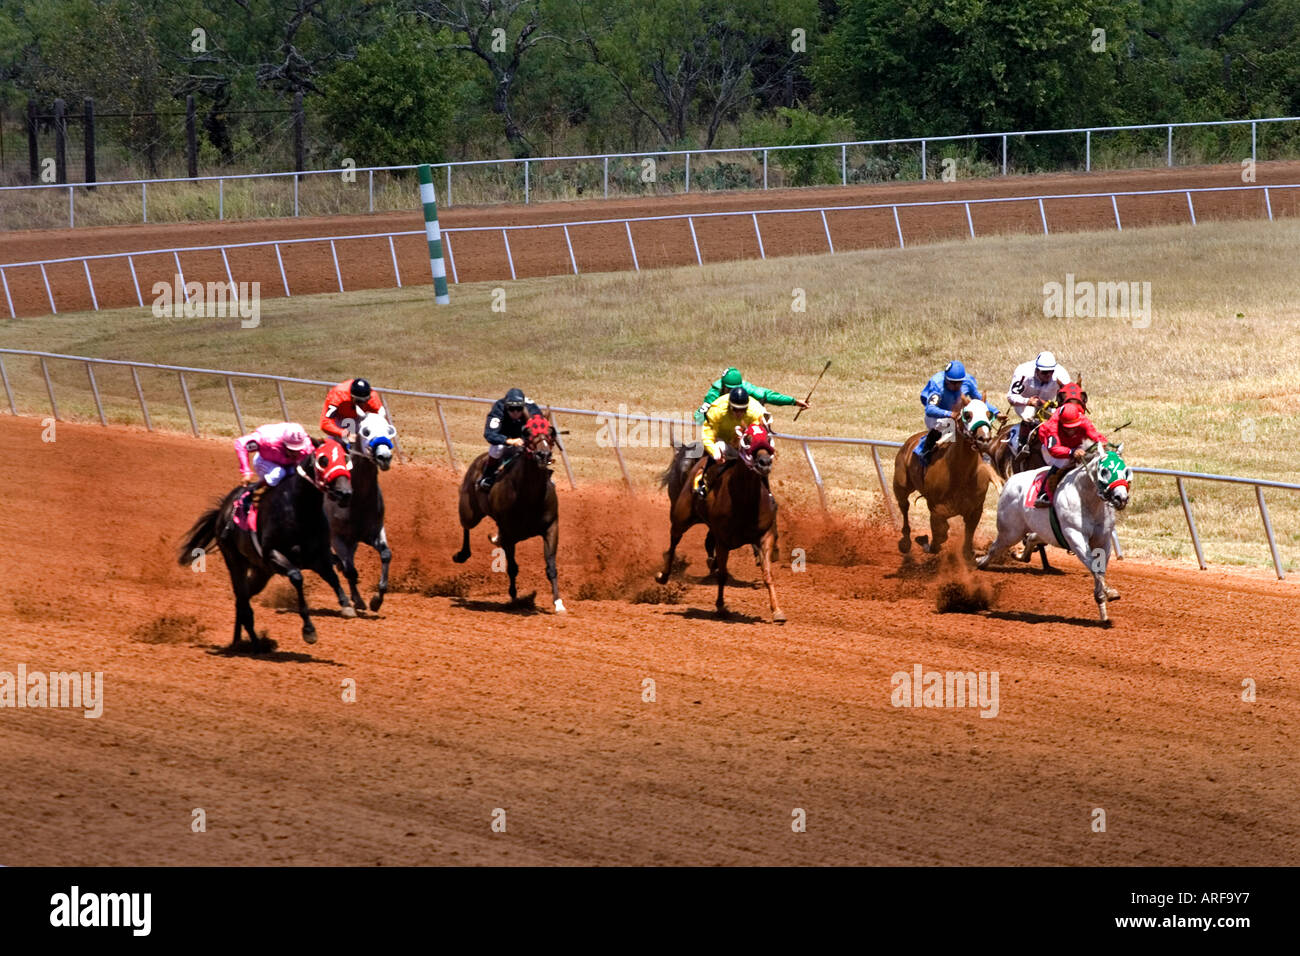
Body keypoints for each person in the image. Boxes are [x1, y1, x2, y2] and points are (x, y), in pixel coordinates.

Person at [916, 360, 998, 462]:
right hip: (936, 416)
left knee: (972, 428)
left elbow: (979, 400)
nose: (956, 386)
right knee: (949, 427)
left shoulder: (968, 381)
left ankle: (982, 454)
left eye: (959, 383)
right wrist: (949, 414)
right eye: (952, 382)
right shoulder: (937, 384)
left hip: (957, 415)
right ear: (946, 379)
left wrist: (996, 412)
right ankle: (926, 452)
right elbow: (929, 409)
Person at [696, 386, 767, 498]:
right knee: (718, 449)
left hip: (743, 443)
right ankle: (704, 484)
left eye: (743, 410)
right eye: (735, 409)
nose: (739, 413)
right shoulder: (717, 410)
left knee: (760, 457)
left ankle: (767, 490)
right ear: (729, 406)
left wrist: (747, 437)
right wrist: (714, 451)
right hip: (722, 440)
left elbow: (758, 433)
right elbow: (707, 435)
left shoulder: (756, 411)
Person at [1034, 402, 1107, 508]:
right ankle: (1043, 494)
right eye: (1067, 428)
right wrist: (1072, 452)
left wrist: (1103, 445)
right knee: (1062, 462)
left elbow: (1097, 437)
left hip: (1074, 445)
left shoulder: (1084, 421)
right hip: (1051, 449)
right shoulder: (1052, 425)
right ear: (1061, 423)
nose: (1071, 431)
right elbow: (1054, 450)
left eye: (1074, 427)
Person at [1005, 351, 1071, 456]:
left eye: (1051, 371)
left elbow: (1069, 398)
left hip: (1047, 403)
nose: (1048, 375)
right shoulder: (1023, 372)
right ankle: (1022, 445)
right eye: (1044, 372)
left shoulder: (1061, 374)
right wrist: (1028, 401)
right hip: (1024, 403)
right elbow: (1011, 397)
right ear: (1036, 369)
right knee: (1029, 415)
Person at [478, 387, 543, 491]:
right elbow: (489, 434)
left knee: (541, 449)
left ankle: (544, 477)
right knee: (497, 448)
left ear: (523, 406)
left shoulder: (531, 407)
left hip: (525, 438)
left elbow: (541, 426)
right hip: (504, 439)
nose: (515, 412)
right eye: (512, 409)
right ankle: (488, 475)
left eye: (519, 409)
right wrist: (510, 441)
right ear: (506, 406)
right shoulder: (499, 407)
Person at [694, 366, 808, 424]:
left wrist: (794, 401)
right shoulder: (714, 393)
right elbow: (699, 415)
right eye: (729, 389)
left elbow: (768, 396)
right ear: (723, 386)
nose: (733, 392)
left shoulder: (745, 388)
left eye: (736, 389)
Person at [321, 377, 386, 446]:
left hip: (360, 418)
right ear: (351, 396)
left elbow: (380, 423)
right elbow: (325, 423)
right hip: (339, 417)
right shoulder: (338, 394)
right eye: (359, 401)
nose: (362, 404)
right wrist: (343, 433)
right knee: (334, 446)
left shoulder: (373, 397)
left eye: (365, 401)